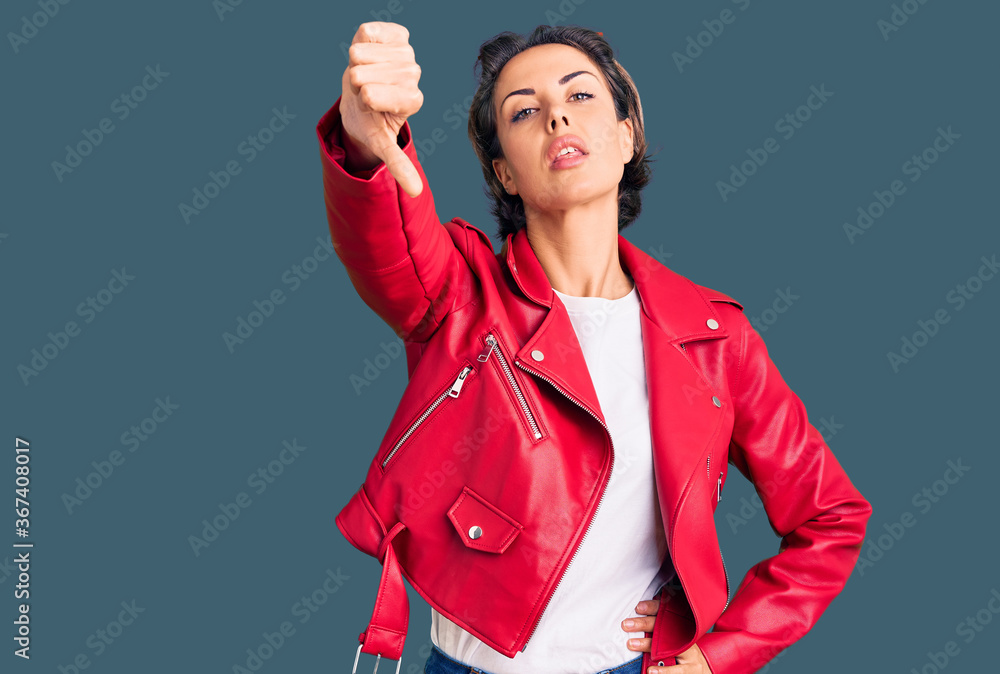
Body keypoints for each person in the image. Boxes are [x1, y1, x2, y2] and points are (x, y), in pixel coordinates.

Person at [318, 21, 872, 674]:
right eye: (523, 111)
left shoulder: (714, 336)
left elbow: (831, 517)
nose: (556, 116)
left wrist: (718, 655)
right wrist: (365, 143)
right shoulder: (462, 295)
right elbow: (387, 244)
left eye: (579, 96)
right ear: (504, 173)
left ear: (627, 136)